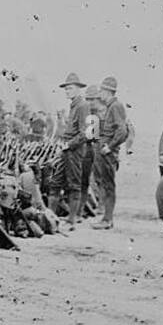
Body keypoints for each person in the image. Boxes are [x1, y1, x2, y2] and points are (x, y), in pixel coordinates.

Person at [92, 76, 128, 229]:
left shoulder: (115, 107)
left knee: (108, 186)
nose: (100, 93)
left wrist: (111, 147)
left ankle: (108, 220)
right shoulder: (112, 106)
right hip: (104, 150)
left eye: (102, 90)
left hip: (108, 152)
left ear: (108, 91)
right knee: (106, 184)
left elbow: (122, 131)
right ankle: (107, 219)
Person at [57, 72, 91, 230]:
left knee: (74, 184)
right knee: (68, 182)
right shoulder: (74, 106)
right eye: (66, 89)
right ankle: (71, 217)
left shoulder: (82, 106)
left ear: (78, 89)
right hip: (69, 149)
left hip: (75, 150)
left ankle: (72, 220)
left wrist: (69, 144)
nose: (67, 91)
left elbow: (86, 132)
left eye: (70, 88)